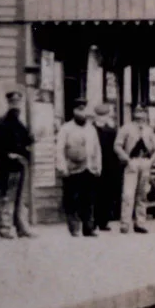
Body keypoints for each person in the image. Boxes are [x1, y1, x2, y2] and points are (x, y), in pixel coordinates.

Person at [0, 90, 36, 240]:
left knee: (21, 198)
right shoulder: (1, 123)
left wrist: (33, 140)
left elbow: (26, 141)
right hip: (8, 165)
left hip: (21, 164)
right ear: (8, 103)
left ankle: (21, 227)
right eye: (13, 102)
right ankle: (5, 228)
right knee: (7, 197)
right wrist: (8, 153)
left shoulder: (20, 124)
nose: (16, 105)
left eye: (18, 102)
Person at [55, 98, 102, 237]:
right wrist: (62, 167)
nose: (82, 113)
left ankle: (88, 227)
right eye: (79, 110)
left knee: (88, 199)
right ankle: (74, 227)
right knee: (72, 199)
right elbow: (59, 149)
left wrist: (98, 166)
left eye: (84, 109)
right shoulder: (66, 128)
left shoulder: (91, 128)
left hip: (89, 168)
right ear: (74, 111)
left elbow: (96, 149)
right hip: (72, 168)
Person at [114, 104, 155, 234]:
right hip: (132, 162)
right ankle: (125, 223)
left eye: (143, 113)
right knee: (128, 194)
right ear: (134, 114)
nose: (140, 116)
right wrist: (126, 159)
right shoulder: (126, 128)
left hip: (145, 162)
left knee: (142, 193)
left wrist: (151, 161)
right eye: (138, 113)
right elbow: (117, 146)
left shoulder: (149, 130)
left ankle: (140, 222)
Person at [93, 104, 123, 231]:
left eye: (104, 116)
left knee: (107, 193)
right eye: (101, 116)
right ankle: (93, 221)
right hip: (95, 164)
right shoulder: (91, 129)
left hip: (109, 165)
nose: (103, 118)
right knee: (94, 193)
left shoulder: (112, 131)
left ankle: (103, 221)